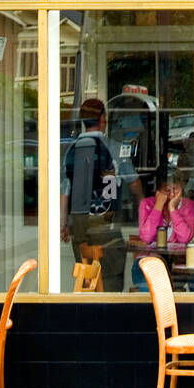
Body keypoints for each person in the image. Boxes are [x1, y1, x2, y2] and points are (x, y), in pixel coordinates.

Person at [60, 98, 126, 291]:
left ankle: (88, 305)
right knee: (111, 276)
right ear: (102, 119)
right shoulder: (111, 147)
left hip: (78, 222)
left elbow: (65, 189)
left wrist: (63, 223)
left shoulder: (70, 150)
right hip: (103, 223)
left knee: (86, 276)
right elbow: (111, 183)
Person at [137, 169, 194, 244]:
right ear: (158, 191)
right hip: (152, 255)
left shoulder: (189, 205)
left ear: (181, 188)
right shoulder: (147, 204)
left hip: (178, 255)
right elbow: (146, 238)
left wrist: (172, 209)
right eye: (167, 190)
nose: (172, 195)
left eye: (175, 189)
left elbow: (185, 239)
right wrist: (158, 206)